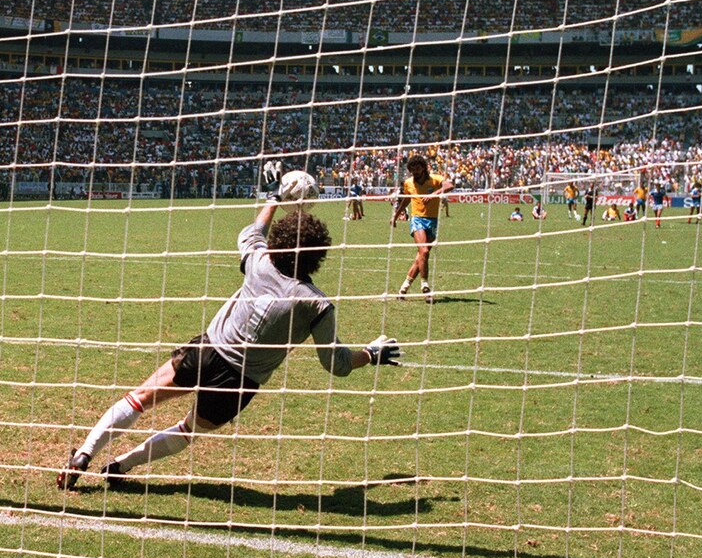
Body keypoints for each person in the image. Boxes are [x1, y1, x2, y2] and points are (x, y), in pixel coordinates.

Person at [56, 194, 403, 490]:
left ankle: (84, 453)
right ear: (319, 254)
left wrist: (273, 200)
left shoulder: (260, 263)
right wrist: (371, 354)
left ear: (280, 241)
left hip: (207, 352)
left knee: (138, 400)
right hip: (239, 383)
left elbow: (252, 233)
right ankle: (122, 466)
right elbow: (336, 364)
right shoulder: (316, 304)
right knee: (187, 430)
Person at [391, 155, 455, 301]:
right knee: (424, 251)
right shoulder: (408, 183)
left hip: (432, 221)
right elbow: (406, 200)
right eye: (412, 170)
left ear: (423, 168)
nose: (415, 172)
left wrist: (434, 194)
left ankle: (403, 289)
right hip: (417, 219)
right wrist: (395, 217)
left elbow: (450, 185)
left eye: (417, 169)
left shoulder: (435, 179)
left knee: (421, 256)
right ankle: (425, 287)